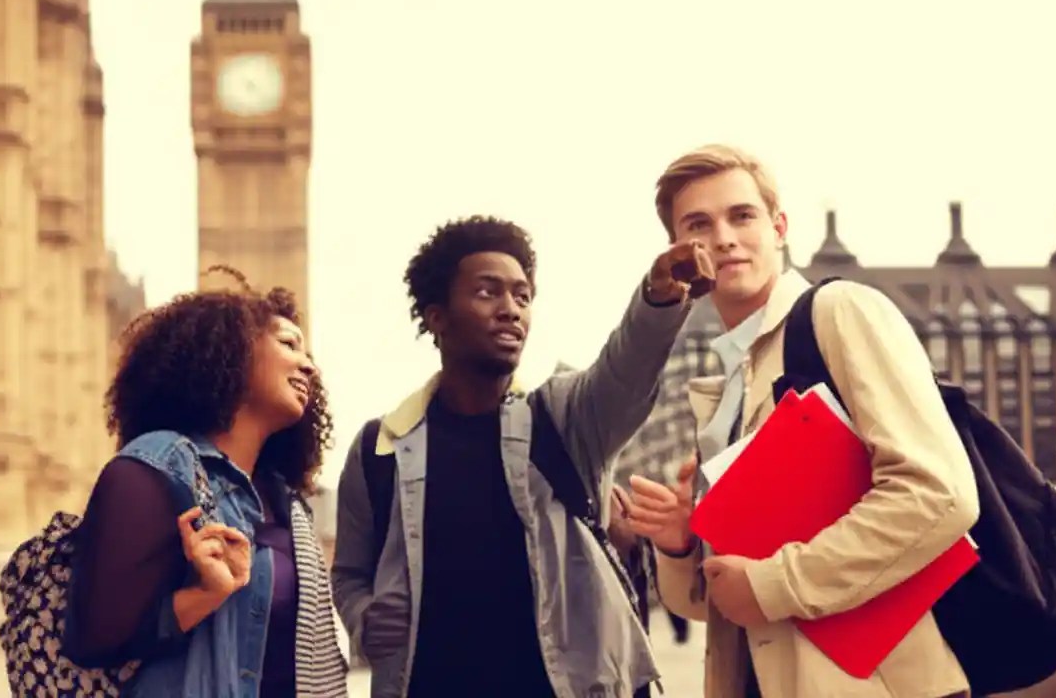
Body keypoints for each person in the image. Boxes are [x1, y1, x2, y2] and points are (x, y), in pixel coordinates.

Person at [625, 145, 979, 697]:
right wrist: (680, 548)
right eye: (699, 225)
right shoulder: (725, 393)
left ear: (780, 227)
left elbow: (938, 494)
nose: (722, 237)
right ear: (680, 252)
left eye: (742, 215)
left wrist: (772, 583)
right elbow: (716, 605)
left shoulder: (840, 312)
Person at [331, 215, 706, 697]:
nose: (511, 309)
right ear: (437, 315)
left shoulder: (563, 421)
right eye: (488, 292)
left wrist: (657, 299)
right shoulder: (378, 449)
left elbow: (625, 371)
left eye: (522, 296)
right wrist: (364, 616)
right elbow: (349, 573)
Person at [61, 269, 349, 697]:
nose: (309, 365)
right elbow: (93, 639)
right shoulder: (151, 470)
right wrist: (203, 594)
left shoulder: (283, 499)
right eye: (289, 344)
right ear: (233, 350)